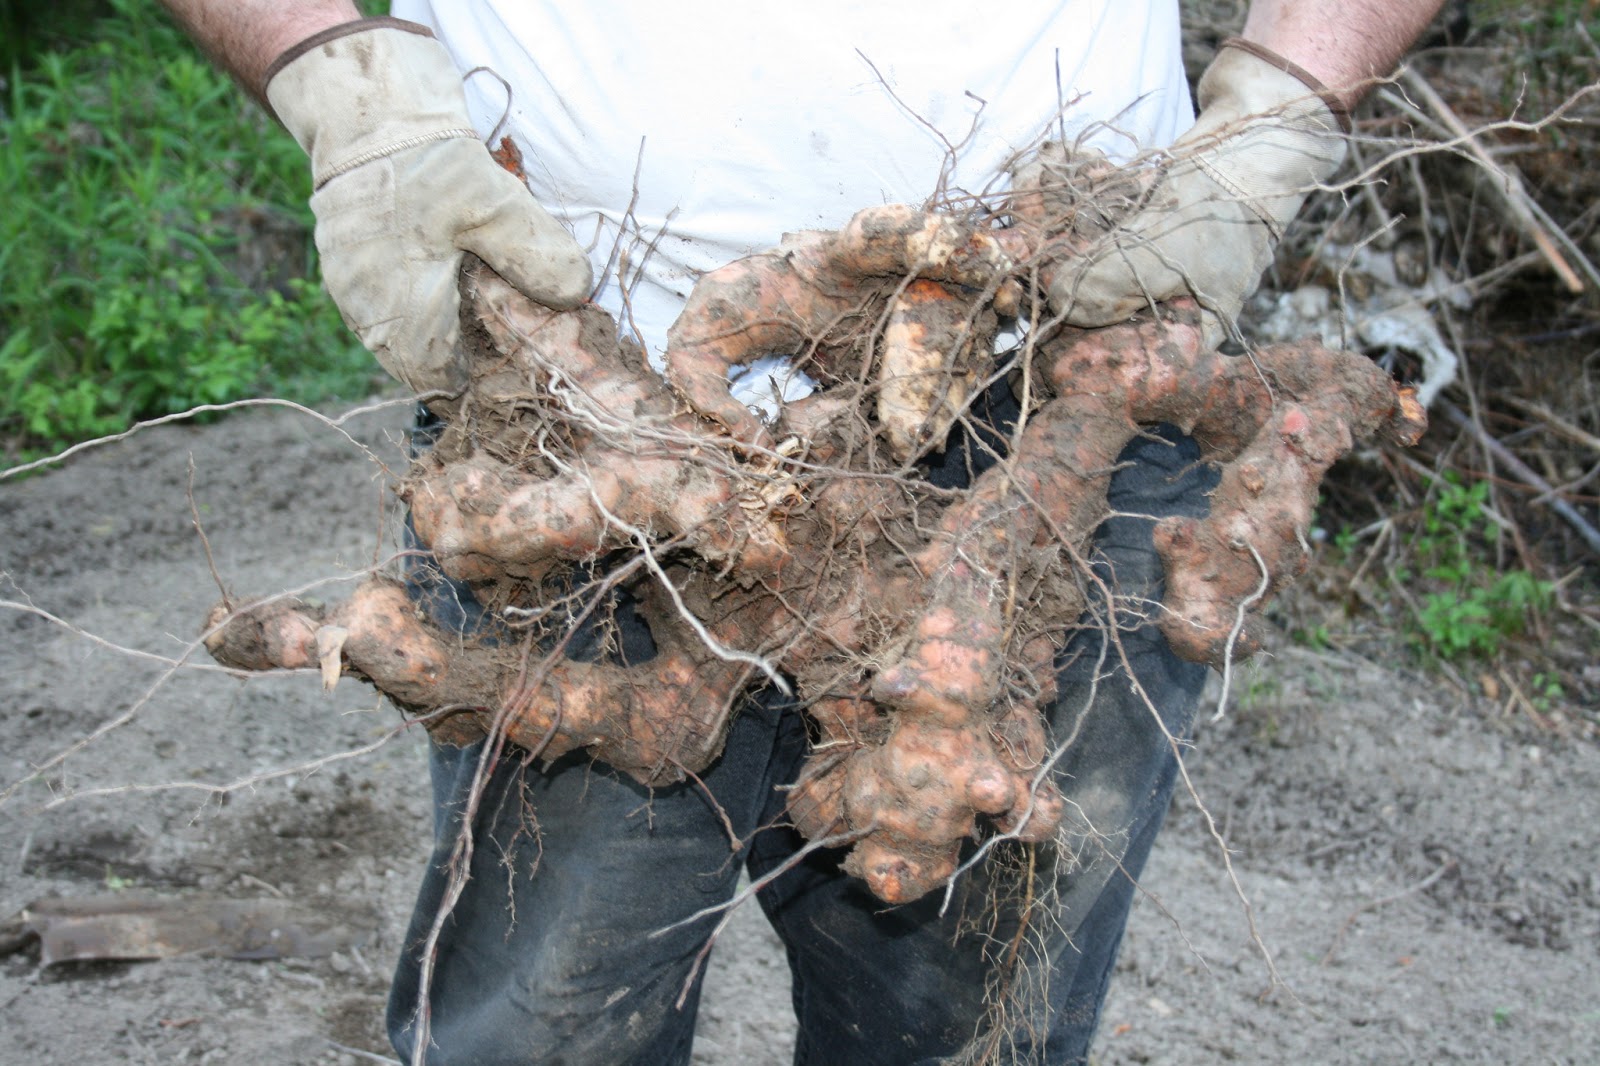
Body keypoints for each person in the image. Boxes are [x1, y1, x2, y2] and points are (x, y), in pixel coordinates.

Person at [161, 2, 1444, 1062]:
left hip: (1068, 365)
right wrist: (334, 73)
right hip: (579, 395)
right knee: (539, 1034)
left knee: (970, 1041)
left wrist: (1284, 97)